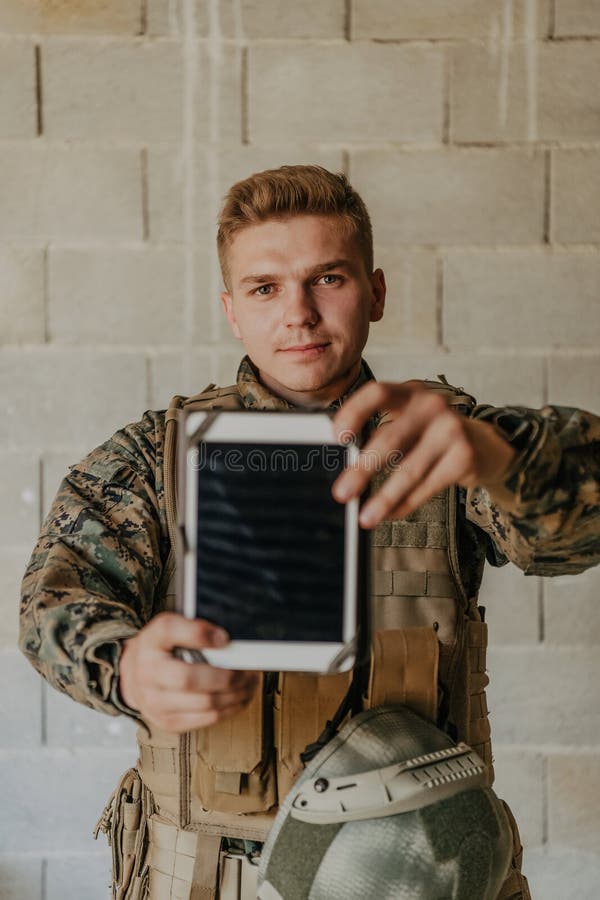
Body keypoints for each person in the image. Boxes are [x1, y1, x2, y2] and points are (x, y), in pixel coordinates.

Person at [20, 166, 600, 900]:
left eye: (328, 279)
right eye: (265, 287)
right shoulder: (154, 458)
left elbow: (575, 531)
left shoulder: (444, 438)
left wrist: (503, 455)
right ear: (233, 310)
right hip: (205, 875)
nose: (299, 313)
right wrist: (125, 663)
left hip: (416, 878)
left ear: (376, 291)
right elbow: (54, 604)